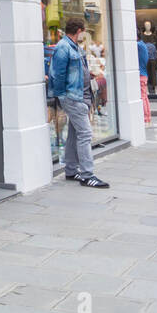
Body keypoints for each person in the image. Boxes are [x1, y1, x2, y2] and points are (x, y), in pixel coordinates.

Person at [50, 19, 109, 187]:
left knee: (75, 134)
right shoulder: (63, 47)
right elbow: (58, 74)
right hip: (73, 97)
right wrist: (63, 97)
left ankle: (70, 170)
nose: (84, 34)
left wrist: (87, 75)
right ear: (78, 30)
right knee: (85, 134)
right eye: (83, 31)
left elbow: (73, 71)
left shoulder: (73, 46)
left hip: (80, 96)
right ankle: (87, 175)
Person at [137, 36, 152, 128]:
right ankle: (147, 117)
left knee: (142, 97)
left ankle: (145, 118)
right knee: (144, 97)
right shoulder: (143, 45)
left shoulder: (138, 45)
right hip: (143, 74)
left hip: (140, 75)